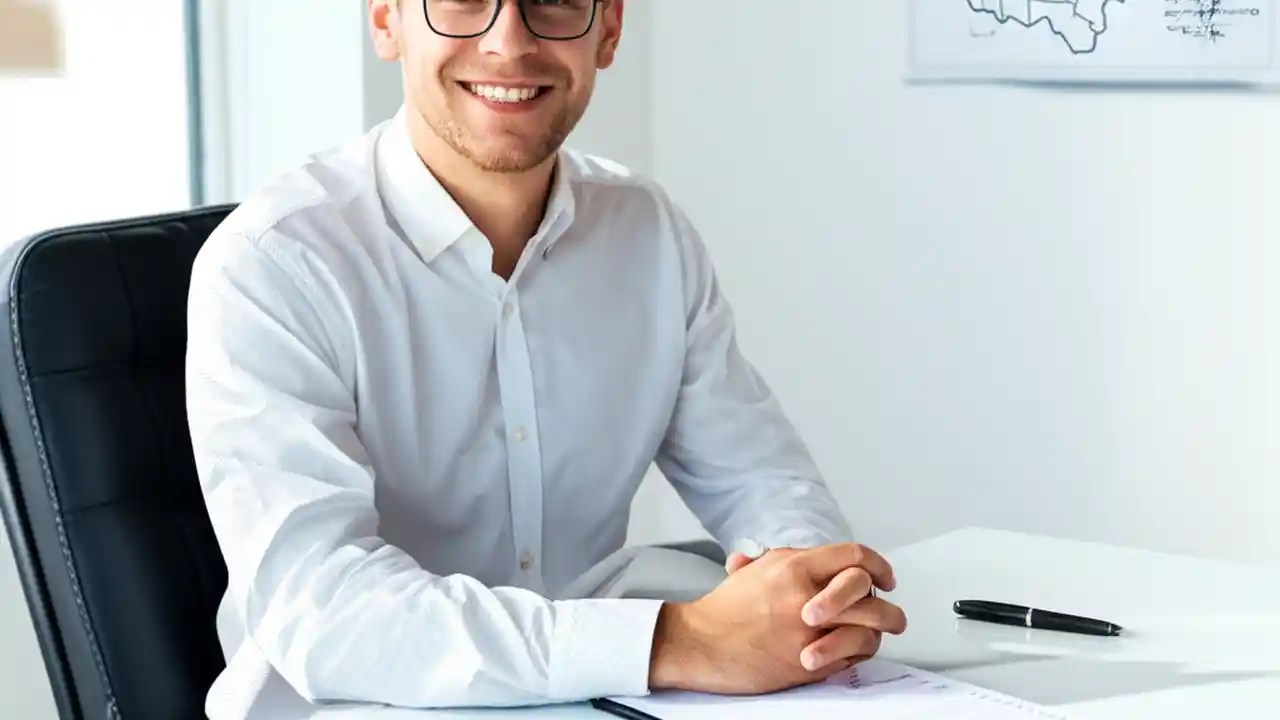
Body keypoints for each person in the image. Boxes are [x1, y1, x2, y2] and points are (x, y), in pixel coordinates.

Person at [185, 0, 907, 716]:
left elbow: (764, 479)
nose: (509, 42)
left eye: (553, 1)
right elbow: (325, 611)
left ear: (610, 29)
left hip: (598, 701)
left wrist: (808, 596)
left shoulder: (646, 236)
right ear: (386, 21)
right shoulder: (273, 264)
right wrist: (677, 642)